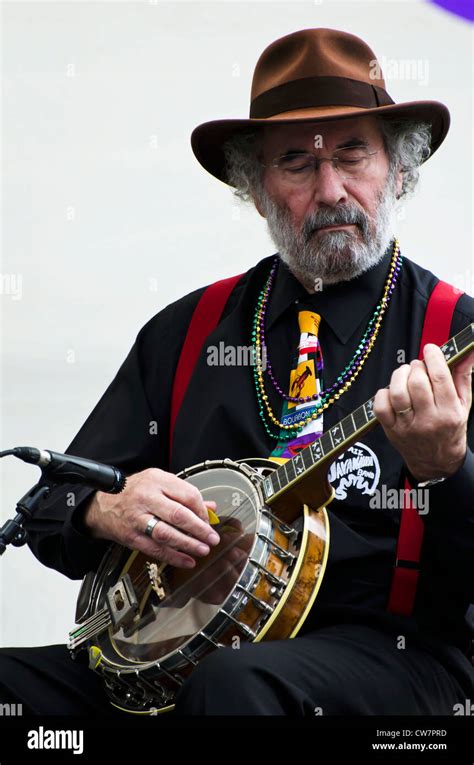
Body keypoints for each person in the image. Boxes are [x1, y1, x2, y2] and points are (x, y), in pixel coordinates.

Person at [1, 28, 473, 717]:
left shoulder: (455, 336)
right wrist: (107, 506)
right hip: (171, 658)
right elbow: (49, 508)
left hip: (393, 661)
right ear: (257, 190)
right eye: (296, 163)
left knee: (233, 685)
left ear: (398, 170)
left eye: (353, 153)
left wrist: (448, 468)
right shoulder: (190, 331)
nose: (331, 188)